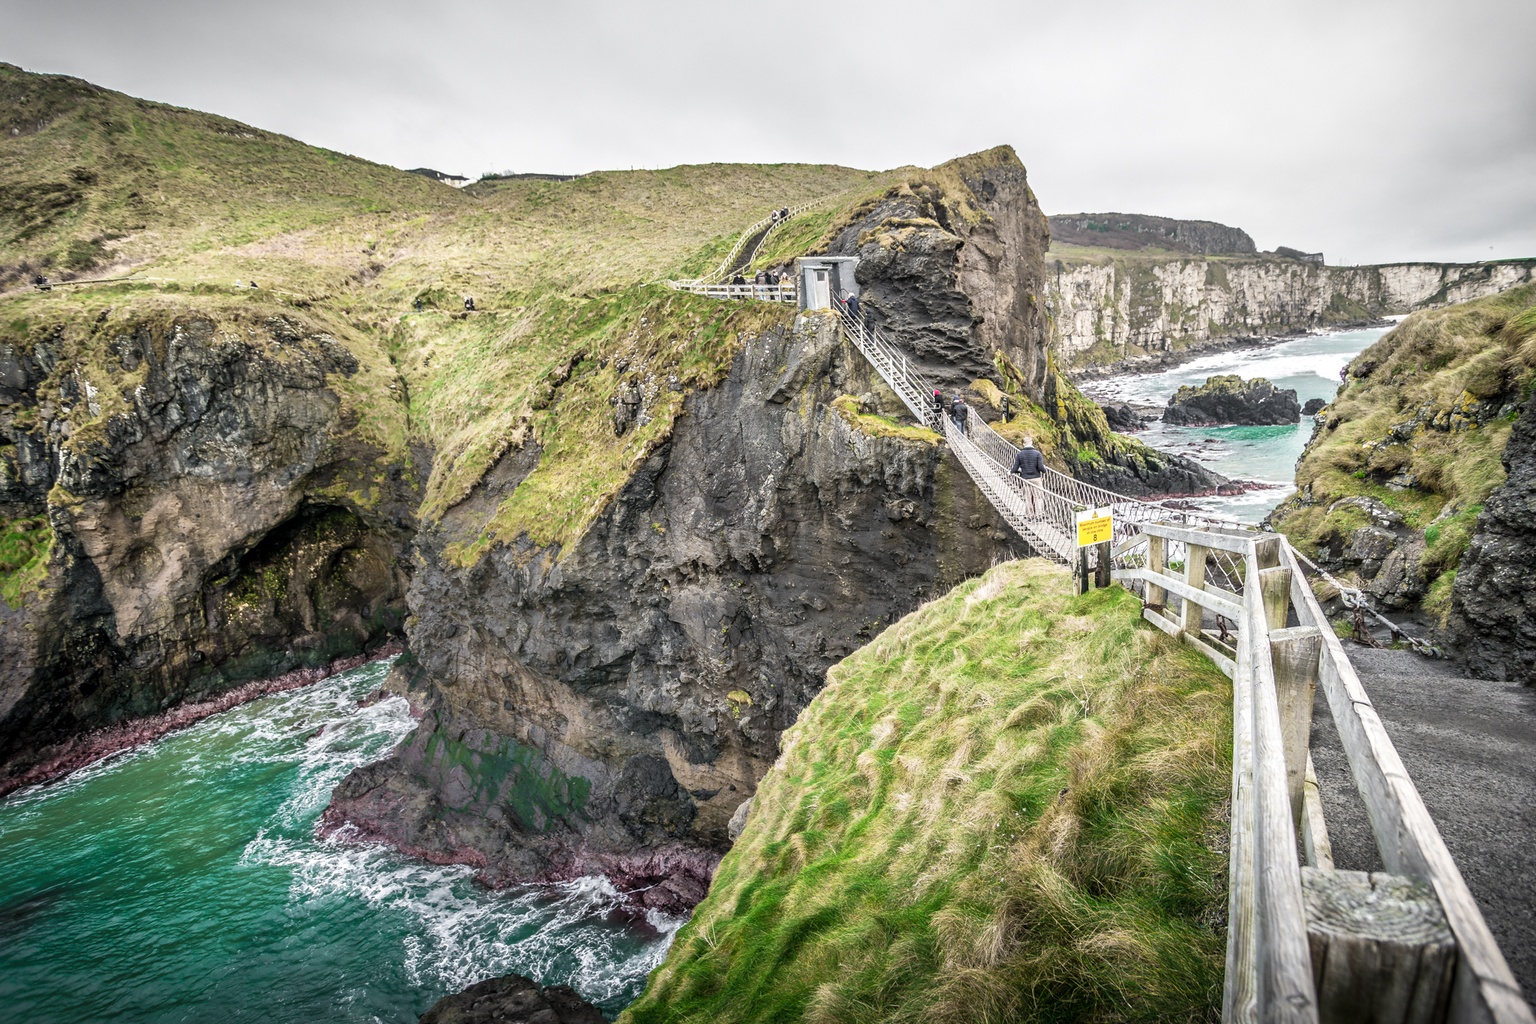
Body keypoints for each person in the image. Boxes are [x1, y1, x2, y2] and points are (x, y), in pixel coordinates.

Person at [1011, 436, 1046, 517]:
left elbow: (1015, 468)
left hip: (1026, 479)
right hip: (1036, 479)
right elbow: (1041, 468)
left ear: (1023, 444)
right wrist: (1045, 470)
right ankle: (1038, 515)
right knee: (1038, 497)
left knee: (1028, 498)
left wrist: (1011, 472)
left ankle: (1030, 516)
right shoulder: (1037, 453)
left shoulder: (1020, 454)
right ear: (1032, 443)